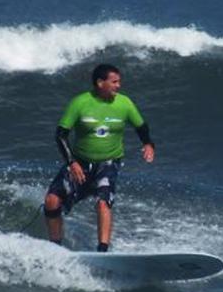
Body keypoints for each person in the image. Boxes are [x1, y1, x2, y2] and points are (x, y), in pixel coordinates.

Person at [43, 64, 155, 251]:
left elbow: (141, 126)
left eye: (119, 81)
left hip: (108, 163)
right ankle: (56, 247)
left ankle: (102, 251)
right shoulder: (80, 103)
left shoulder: (124, 103)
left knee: (103, 202)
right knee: (51, 201)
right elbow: (60, 135)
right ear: (100, 83)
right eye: (114, 82)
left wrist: (148, 144)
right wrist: (72, 163)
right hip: (80, 161)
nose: (118, 85)